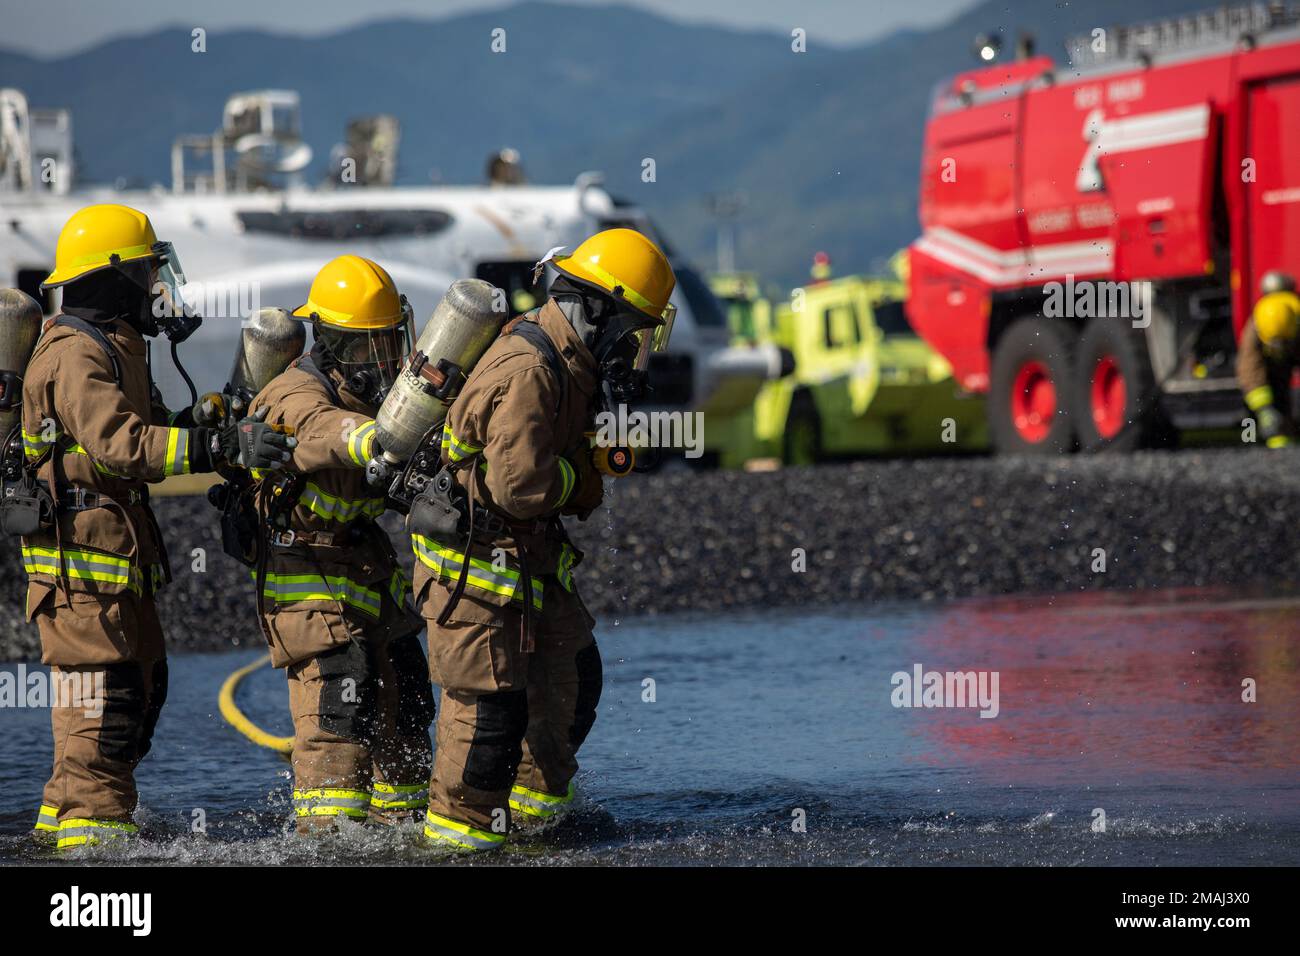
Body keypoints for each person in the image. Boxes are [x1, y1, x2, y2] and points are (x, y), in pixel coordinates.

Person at [18, 203, 292, 849]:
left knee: (138, 694)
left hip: (116, 567)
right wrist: (220, 449)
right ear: (113, 279)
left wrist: (206, 420)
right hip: (80, 572)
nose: (156, 287)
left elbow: (153, 430)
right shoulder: (73, 353)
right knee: (104, 708)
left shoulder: (115, 346)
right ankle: (94, 851)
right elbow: (123, 445)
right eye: (146, 273)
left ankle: (66, 829)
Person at [413, 228, 675, 851]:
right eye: (632, 330)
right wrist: (584, 474)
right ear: (599, 309)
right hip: (473, 572)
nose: (634, 347)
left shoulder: (571, 360)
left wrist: (587, 458)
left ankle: (537, 828)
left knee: (572, 680)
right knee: (488, 721)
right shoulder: (531, 366)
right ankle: (459, 843)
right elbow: (521, 487)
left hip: (527, 562)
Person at [249, 254, 435, 832]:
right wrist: (372, 440)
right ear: (328, 343)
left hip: (366, 570)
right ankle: (327, 843)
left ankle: (403, 832)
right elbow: (315, 431)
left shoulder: (381, 397)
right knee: (339, 712)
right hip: (306, 579)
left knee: (408, 701)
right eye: (363, 348)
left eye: (387, 344)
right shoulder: (292, 392)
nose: (381, 362)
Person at [1236, 273, 1300, 449]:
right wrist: (1264, 410)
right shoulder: (1256, 328)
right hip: (1269, 366)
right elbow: (1249, 369)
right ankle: (1262, 441)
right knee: (1264, 399)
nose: (1279, 348)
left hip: (1292, 354)